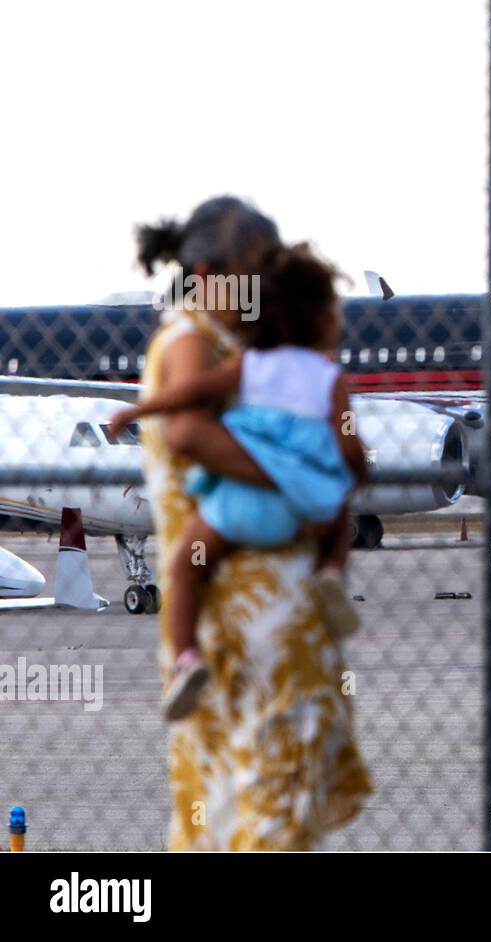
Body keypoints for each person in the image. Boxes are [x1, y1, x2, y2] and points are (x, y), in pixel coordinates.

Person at [135, 196, 370, 849]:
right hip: (251, 613)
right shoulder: (192, 342)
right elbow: (186, 430)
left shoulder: (235, 346)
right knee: (274, 804)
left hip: (227, 616)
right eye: (253, 277)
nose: (267, 292)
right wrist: (305, 480)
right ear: (209, 275)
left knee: (223, 808)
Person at [111, 243, 366, 721]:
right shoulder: (328, 377)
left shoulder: (246, 366)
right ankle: (332, 572)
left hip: (239, 507)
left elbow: (191, 393)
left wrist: (137, 409)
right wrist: (347, 479)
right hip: (303, 508)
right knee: (340, 504)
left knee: (187, 563)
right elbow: (349, 445)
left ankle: (185, 659)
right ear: (321, 322)